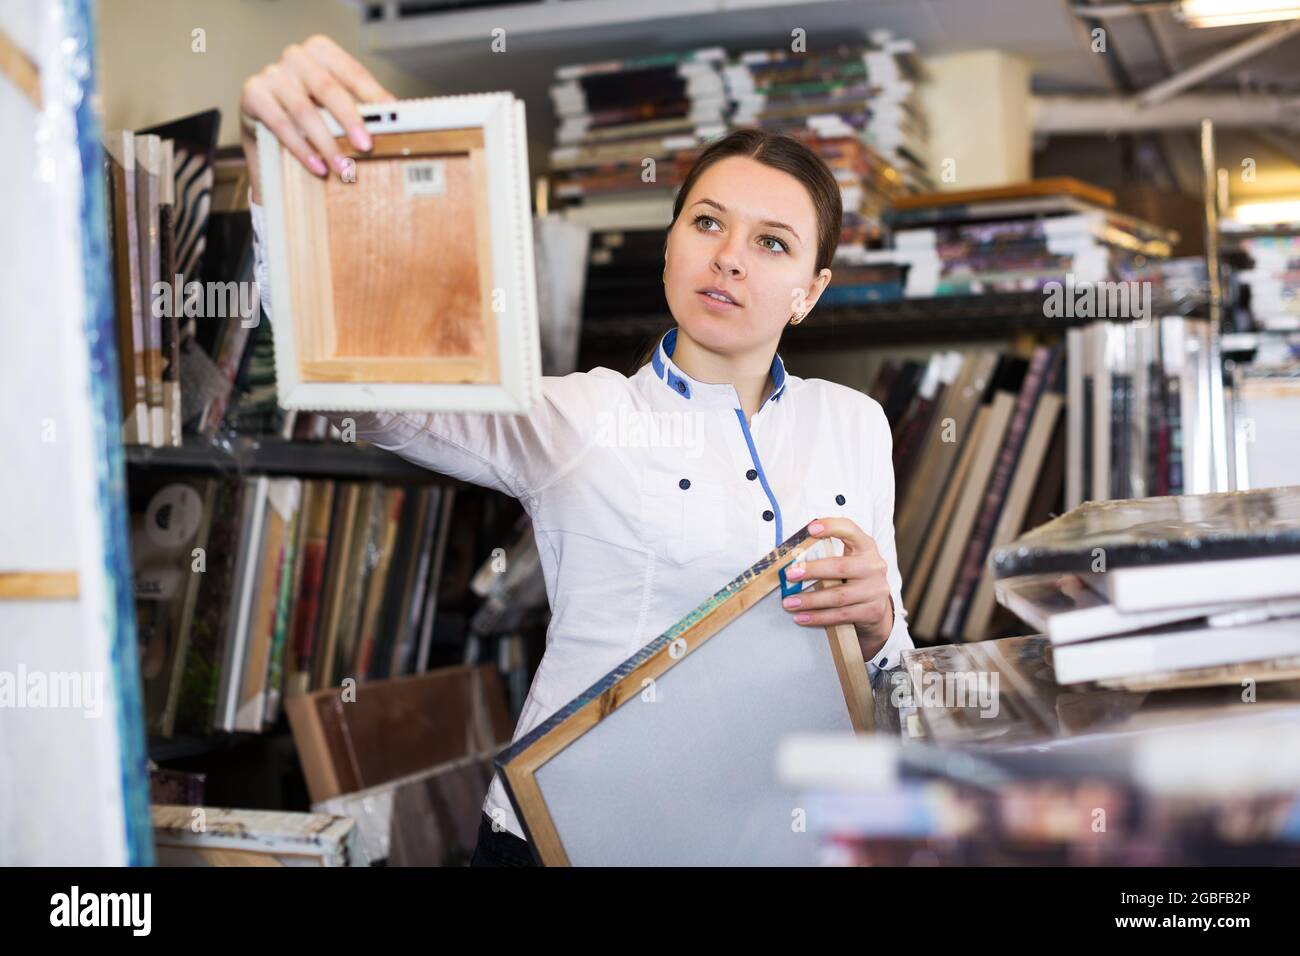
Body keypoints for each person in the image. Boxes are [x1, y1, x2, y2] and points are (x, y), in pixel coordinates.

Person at [239, 35, 913, 867]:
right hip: (568, 841)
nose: (729, 257)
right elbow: (378, 395)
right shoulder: (579, 413)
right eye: (707, 223)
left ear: (811, 292)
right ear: (669, 248)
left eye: (773, 243)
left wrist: (881, 627)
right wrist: (276, 182)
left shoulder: (856, 424)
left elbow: (892, 673)